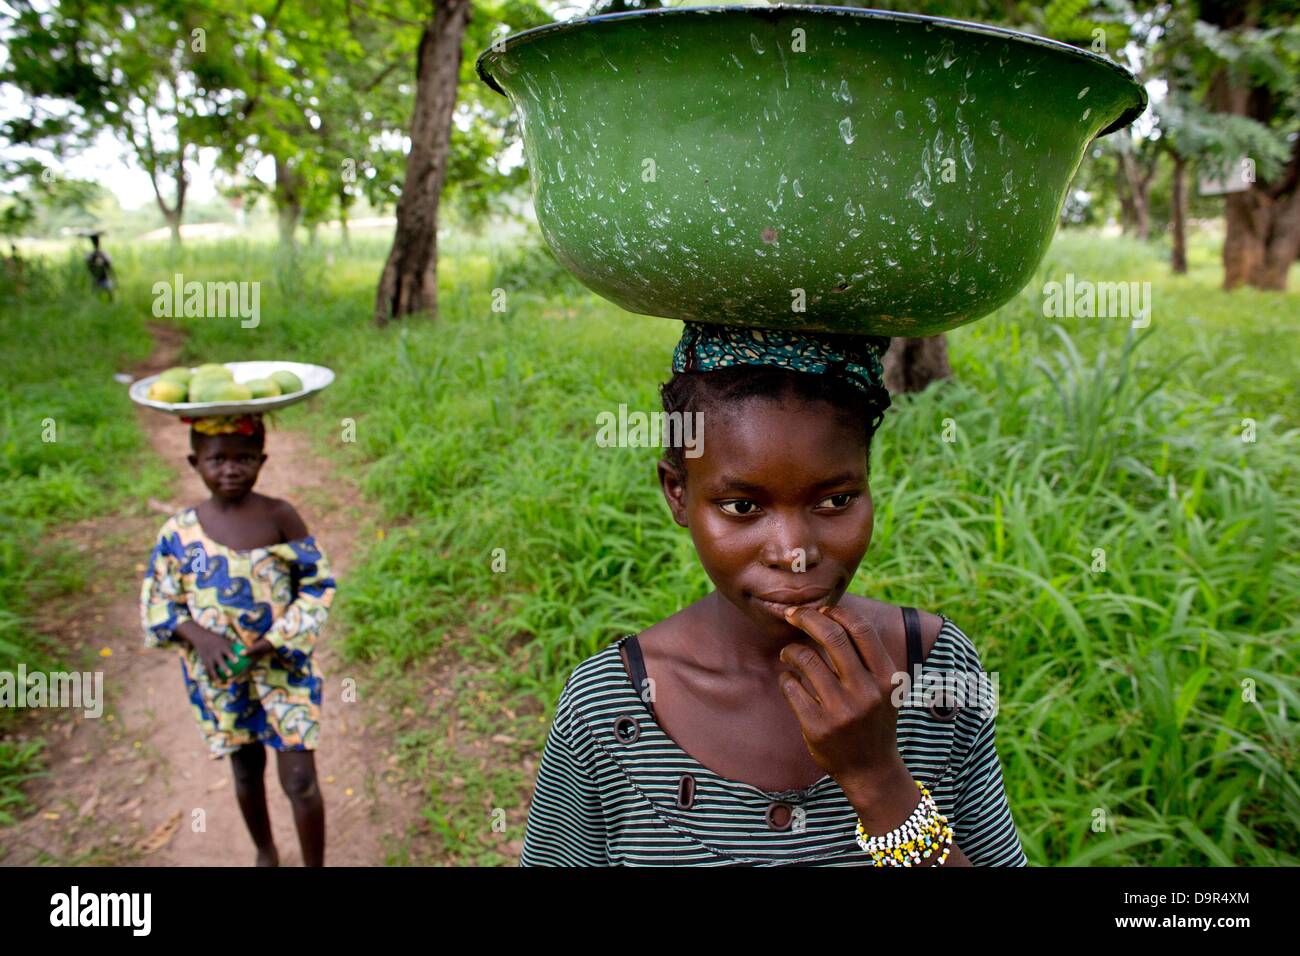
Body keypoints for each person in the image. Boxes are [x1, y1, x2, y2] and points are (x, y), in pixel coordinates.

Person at [520, 323, 1026, 866]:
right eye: (742, 507)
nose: (795, 552)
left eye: (836, 500)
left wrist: (879, 781)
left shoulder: (938, 673)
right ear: (678, 493)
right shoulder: (608, 709)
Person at [139, 412, 336, 866]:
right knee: (246, 771)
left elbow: (317, 585)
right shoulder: (178, 533)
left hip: (285, 671)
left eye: (244, 458)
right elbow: (159, 601)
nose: (231, 469)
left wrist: (272, 642)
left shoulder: (279, 516)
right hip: (220, 680)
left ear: (262, 460)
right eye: (218, 459)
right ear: (194, 462)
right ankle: (266, 852)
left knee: (301, 780)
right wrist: (199, 637)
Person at [84, 232, 114, 299]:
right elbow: (89, 267)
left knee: (109, 295)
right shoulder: (91, 255)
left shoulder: (103, 254)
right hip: (97, 279)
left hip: (104, 278)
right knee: (96, 297)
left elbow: (109, 266)